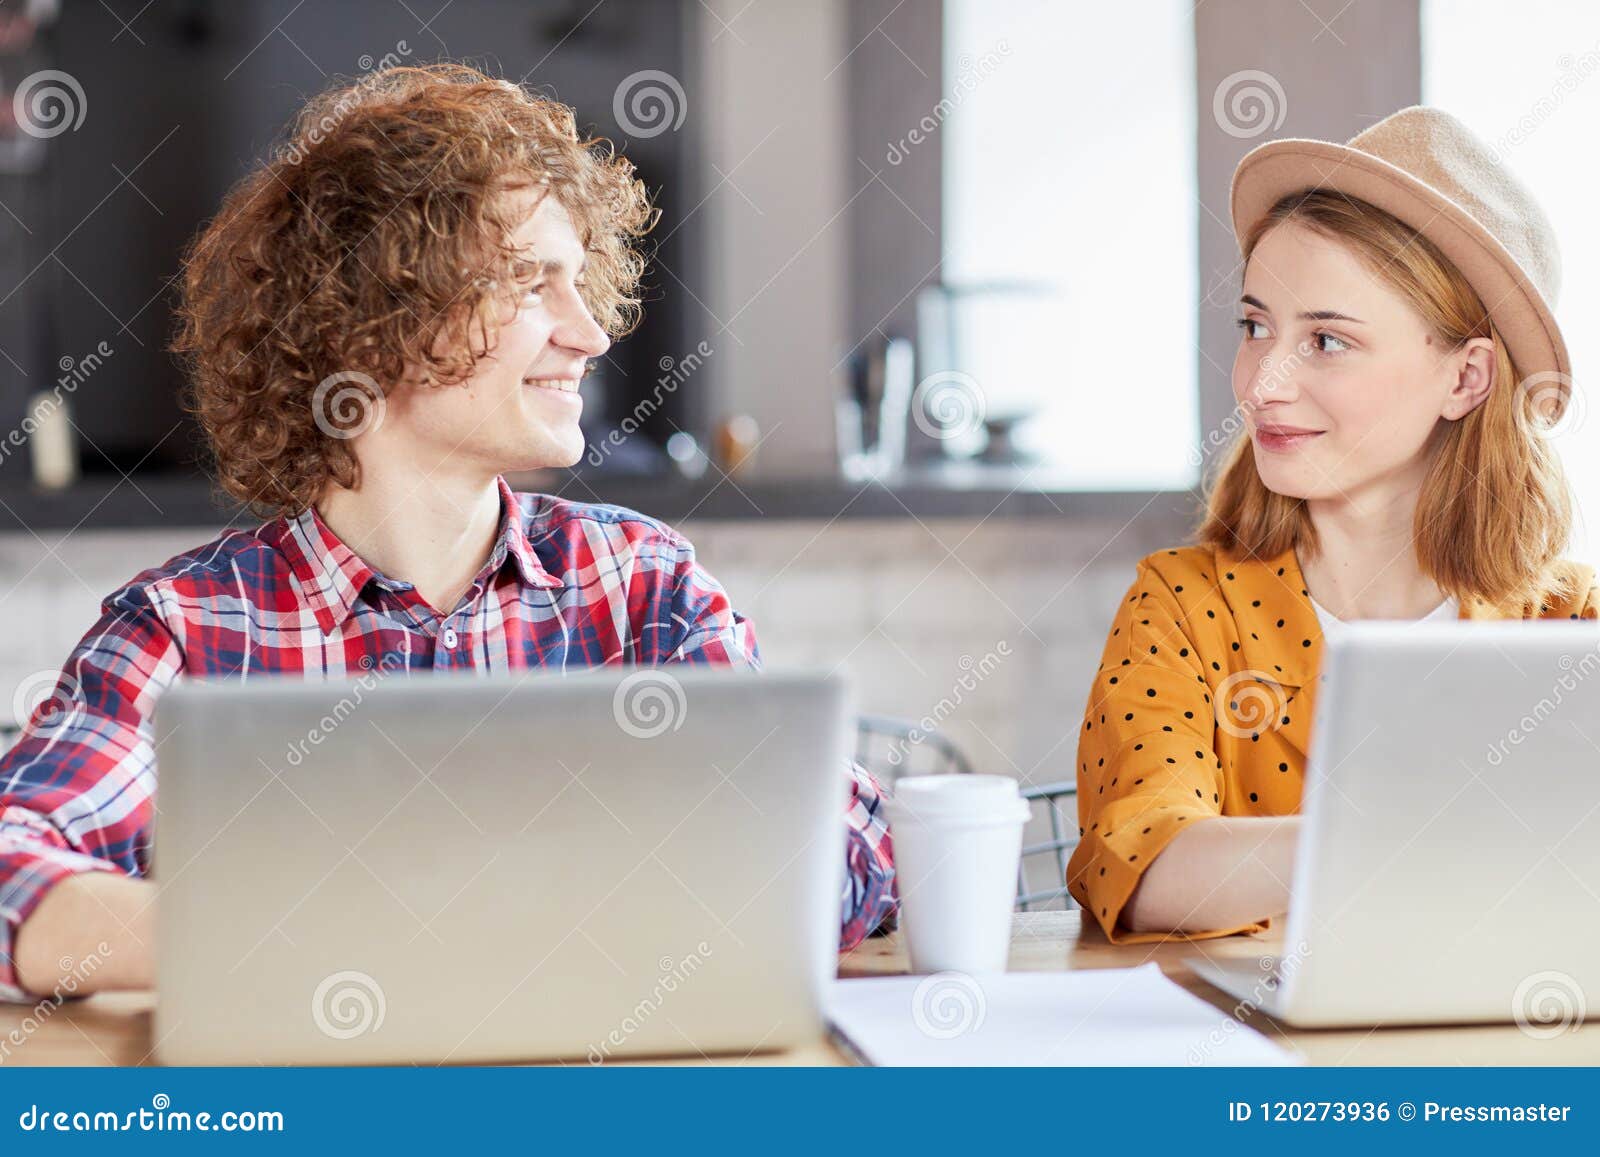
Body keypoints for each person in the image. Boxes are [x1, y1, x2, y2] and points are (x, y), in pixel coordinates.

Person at [0, 64, 896, 1002]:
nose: (589, 333)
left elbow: (846, 845)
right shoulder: (184, 629)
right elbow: (15, 873)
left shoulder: (639, 587)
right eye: (528, 281)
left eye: (580, 282)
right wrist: (337, 942)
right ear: (368, 322)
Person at [1067, 106, 1597, 943]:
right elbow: (1144, 864)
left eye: (1326, 341)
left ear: (1466, 379)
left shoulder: (1570, 626)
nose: (1263, 382)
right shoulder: (1180, 606)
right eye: (1255, 326)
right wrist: (1413, 844)